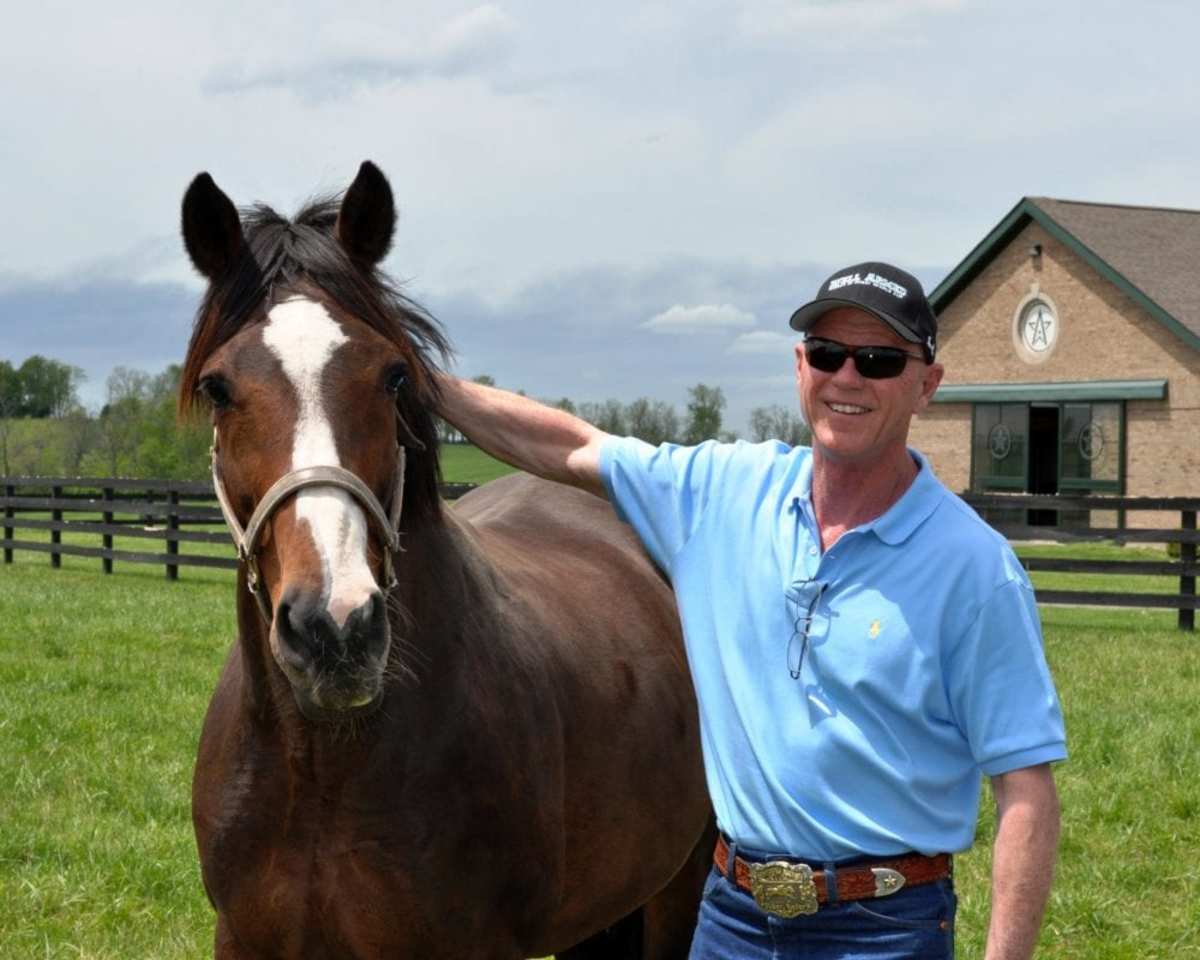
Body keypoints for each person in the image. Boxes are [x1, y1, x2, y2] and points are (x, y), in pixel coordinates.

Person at [435, 261, 1066, 960]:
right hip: (732, 918)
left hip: (881, 930)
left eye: (880, 360)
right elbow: (572, 446)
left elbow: (1026, 792)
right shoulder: (724, 495)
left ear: (927, 385)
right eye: (827, 353)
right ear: (801, 367)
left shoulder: (974, 568)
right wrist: (413, 373)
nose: (848, 378)